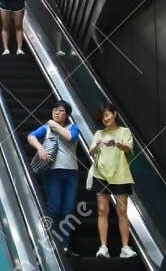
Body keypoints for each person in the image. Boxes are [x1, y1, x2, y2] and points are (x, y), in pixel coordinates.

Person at [27, 101, 81, 250]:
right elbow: (31, 136)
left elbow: (69, 136)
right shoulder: (46, 128)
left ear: (67, 115)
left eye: (61, 111)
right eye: (54, 110)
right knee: (54, 206)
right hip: (53, 172)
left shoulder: (73, 127)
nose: (56, 113)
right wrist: (39, 148)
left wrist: (53, 123)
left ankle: (65, 244)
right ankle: (51, 239)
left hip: (72, 172)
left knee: (68, 208)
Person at [89, 103, 135, 258]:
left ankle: (125, 247)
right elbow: (91, 151)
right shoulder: (99, 133)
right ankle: (103, 247)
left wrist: (115, 142)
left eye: (107, 115)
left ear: (115, 114)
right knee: (102, 210)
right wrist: (96, 146)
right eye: (103, 117)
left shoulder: (124, 131)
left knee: (122, 211)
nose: (105, 119)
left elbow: (128, 148)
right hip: (101, 174)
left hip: (120, 175)